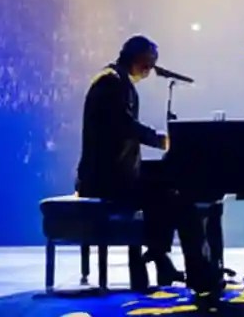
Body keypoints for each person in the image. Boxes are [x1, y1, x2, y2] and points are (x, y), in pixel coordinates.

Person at [76, 35, 218, 295]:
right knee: (180, 200)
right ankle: (193, 270)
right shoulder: (111, 82)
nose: (152, 68)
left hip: (111, 176)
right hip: (104, 182)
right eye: (150, 61)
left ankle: (160, 255)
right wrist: (160, 139)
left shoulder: (117, 81)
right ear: (138, 57)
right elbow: (124, 125)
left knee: (169, 192)